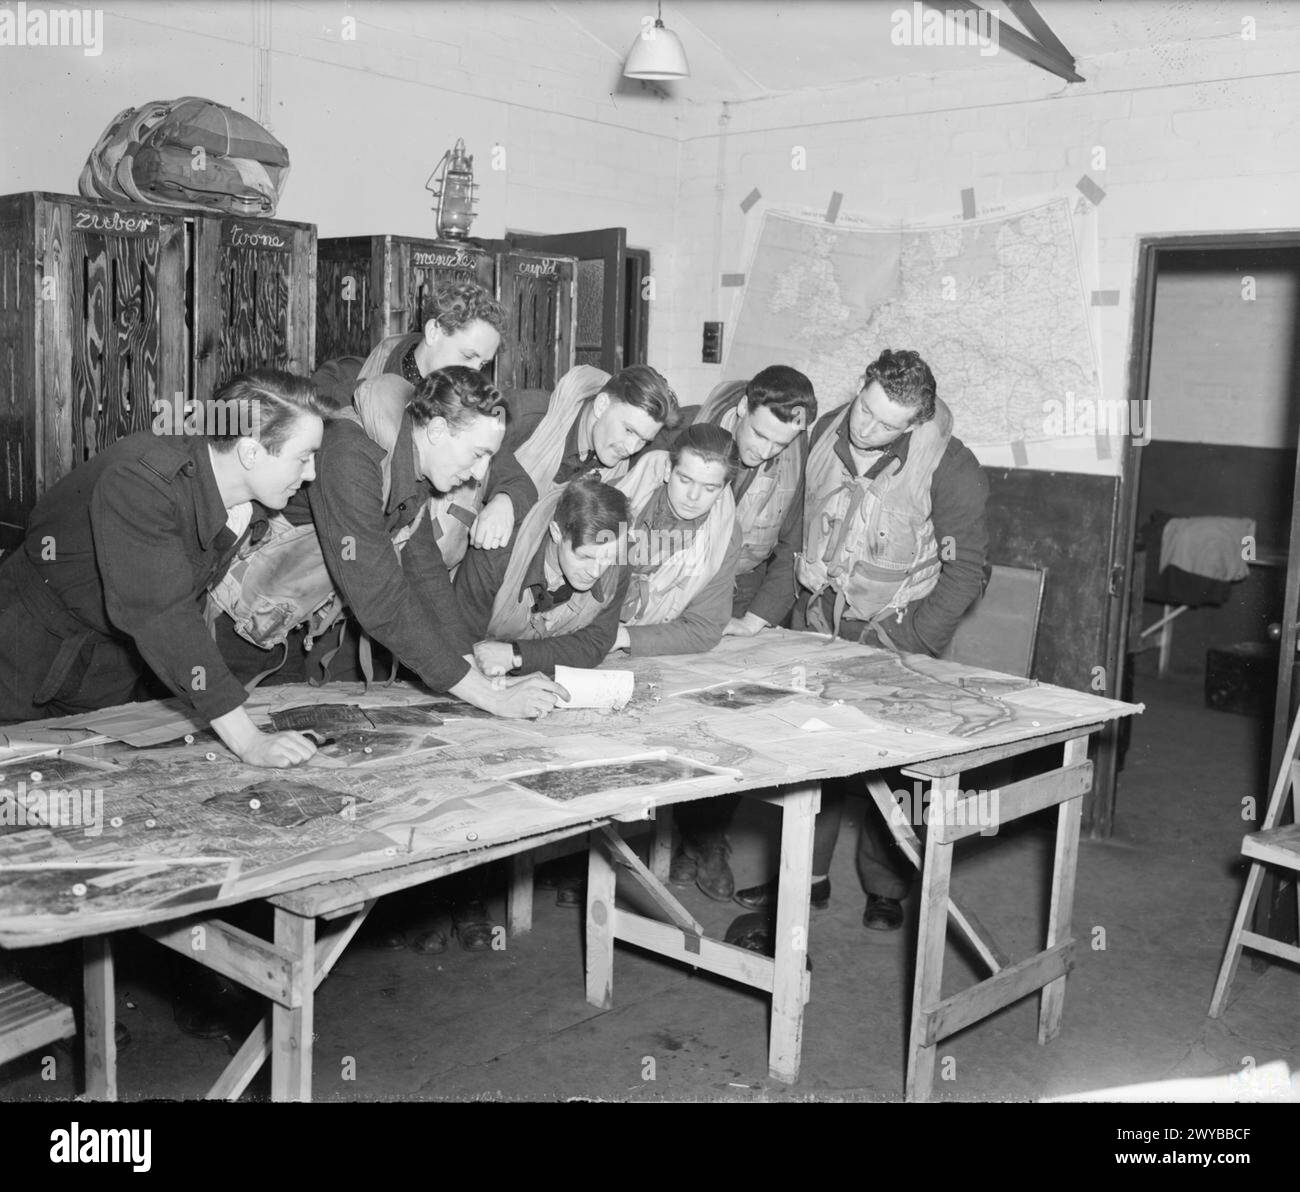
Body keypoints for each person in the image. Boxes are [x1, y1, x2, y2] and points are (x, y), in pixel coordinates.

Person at [728, 348, 989, 946]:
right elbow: (796, 531)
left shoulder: (952, 467)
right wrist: (766, 618)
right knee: (808, 763)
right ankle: (805, 878)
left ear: (915, 423)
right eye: (864, 408)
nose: (865, 428)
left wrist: (909, 643)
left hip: (894, 637)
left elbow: (967, 572)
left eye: (885, 423)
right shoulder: (820, 432)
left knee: (889, 771)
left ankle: (885, 889)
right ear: (863, 386)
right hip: (817, 629)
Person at [0, 370, 328, 769]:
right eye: (303, 457)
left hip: (108, 662)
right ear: (251, 451)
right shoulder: (142, 480)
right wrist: (248, 741)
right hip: (23, 652)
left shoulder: (243, 499)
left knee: (91, 782)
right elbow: (164, 615)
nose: (310, 474)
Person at [667, 366, 817, 901]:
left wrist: (757, 618)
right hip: (674, 586)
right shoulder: (687, 428)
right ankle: (698, 841)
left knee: (726, 723)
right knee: (670, 715)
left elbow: (791, 547)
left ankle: (704, 842)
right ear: (743, 408)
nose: (766, 451)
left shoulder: (793, 458)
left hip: (743, 595)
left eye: (783, 441)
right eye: (759, 435)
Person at [311, 280, 532, 560]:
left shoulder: (469, 405)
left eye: (483, 364)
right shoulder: (348, 382)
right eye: (468, 356)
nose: (476, 372)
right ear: (433, 331)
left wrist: (505, 502)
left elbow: (517, 480)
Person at [455, 475, 630, 677]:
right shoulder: (498, 550)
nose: (596, 571)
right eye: (585, 557)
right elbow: (459, 640)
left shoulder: (617, 558)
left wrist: (518, 656)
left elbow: (595, 643)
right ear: (557, 532)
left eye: (608, 557)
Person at [611, 423, 742, 658]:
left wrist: (624, 637)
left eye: (709, 488)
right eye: (684, 479)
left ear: (724, 489)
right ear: (667, 471)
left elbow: (704, 628)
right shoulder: (612, 497)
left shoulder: (725, 536)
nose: (693, 497)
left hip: (637, 642)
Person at [508, 363, 682, 505]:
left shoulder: (616, 468)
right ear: (601, 406)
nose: (631, 448)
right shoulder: (526, 412)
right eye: (628, 430)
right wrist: (507, 494)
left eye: (644, 440)